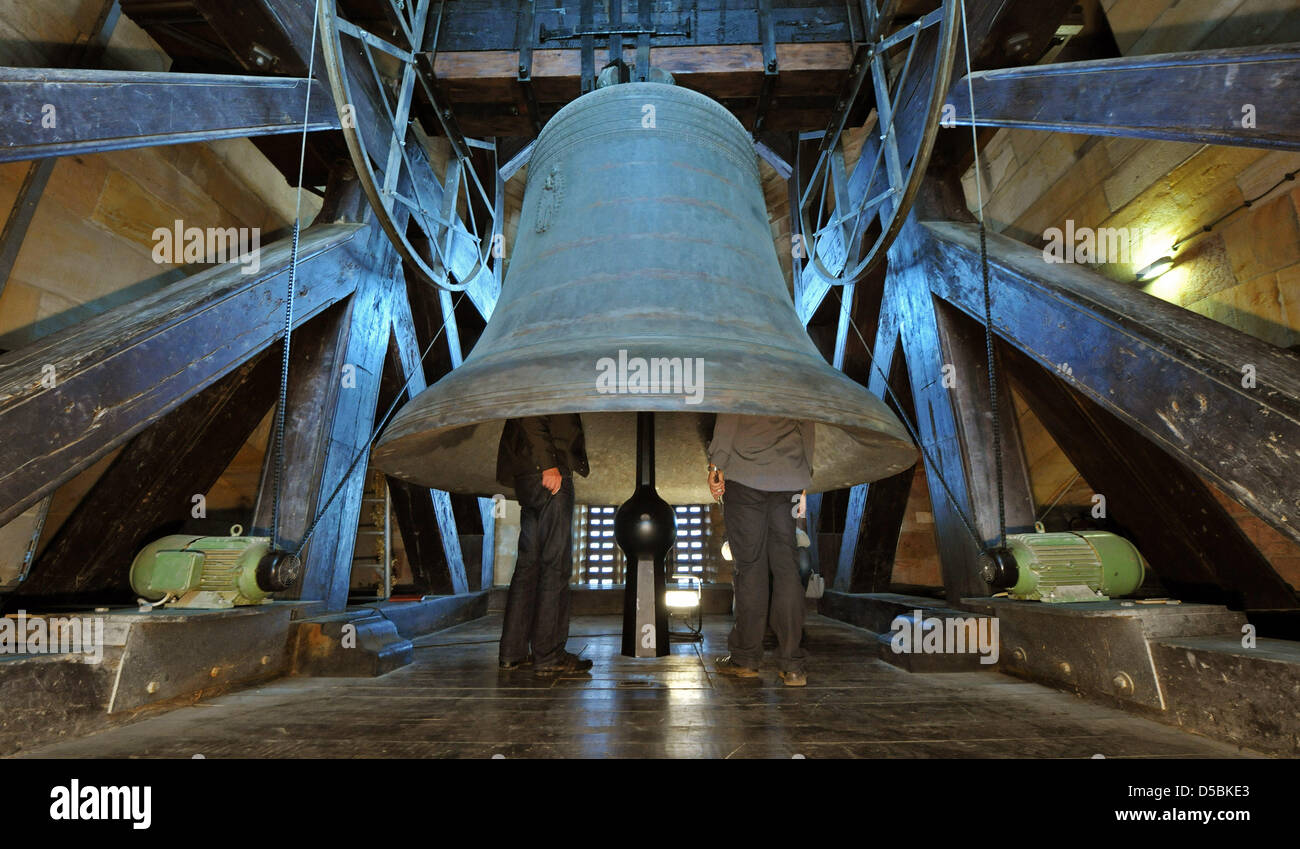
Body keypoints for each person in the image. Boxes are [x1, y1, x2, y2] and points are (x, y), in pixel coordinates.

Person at [707, 415, 814, 686]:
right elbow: (807, 424)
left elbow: (729, 417)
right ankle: (792, 666)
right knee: (787, 567)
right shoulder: (799, 374)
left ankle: (746, 659)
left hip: (745, 477)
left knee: (750, 566)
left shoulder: (745, 372)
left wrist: (716, 464)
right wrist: (803, 481)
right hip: (789, 478)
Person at [496, 414, 593, 675]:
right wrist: (548, 464)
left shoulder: (523, 371)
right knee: (556, 565)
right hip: (549, 472)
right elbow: (532, 413)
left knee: (528, 565)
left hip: (528, 474)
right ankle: (549, 655)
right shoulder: (543, 371)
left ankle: (512, 652)